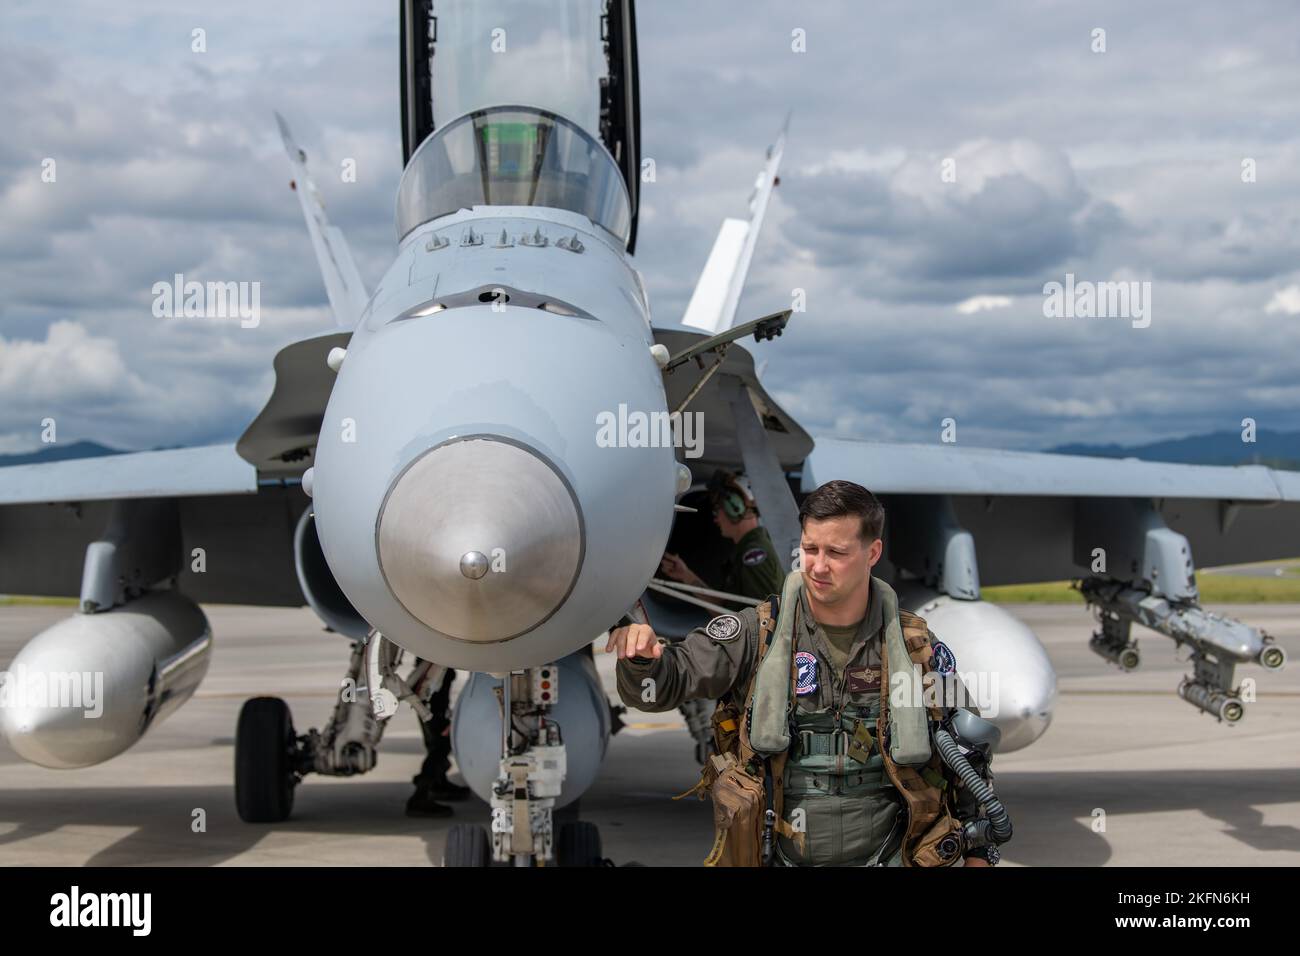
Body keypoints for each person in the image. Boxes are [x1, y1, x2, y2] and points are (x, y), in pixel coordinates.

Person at [608, 480, 1002, 866]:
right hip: (779, 855)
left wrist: (979, 855)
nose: (818, 565)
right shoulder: (756, 635)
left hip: (890, 856)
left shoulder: (914, 647)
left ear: (873, 552)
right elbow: (661, 687)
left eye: (836, 551)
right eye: (810, 548)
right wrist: (642, 657)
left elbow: (967, 751)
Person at [659, 471, 785, 606]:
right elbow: (727, 610)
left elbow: (764, 621)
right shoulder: (751, 548)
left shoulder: (754, 556)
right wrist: (686, 575)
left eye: (717, 509)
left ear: (734, 507)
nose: (715, 518)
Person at [406, 666, 471, 817]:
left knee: (436, 744)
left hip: (428, 703)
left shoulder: (430, 664)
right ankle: (421, 796)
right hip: (432, 705)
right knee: (440, 745)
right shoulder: (434, 668)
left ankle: (438, 784)